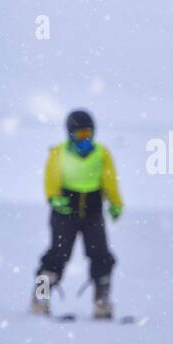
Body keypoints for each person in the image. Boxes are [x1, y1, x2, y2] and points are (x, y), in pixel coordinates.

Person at [31, 110, 124, 319]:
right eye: (81, 134)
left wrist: (115, 202)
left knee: (101, 256)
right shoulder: (59, 152)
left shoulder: (102, 153)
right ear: (70, 134)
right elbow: (51, 178)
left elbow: (109, 180)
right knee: (56, 256)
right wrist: (54, 198)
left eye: (89, 133)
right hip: (65, 213)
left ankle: (102, 301)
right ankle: (40, 298)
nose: (86, 139)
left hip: (92, 213)